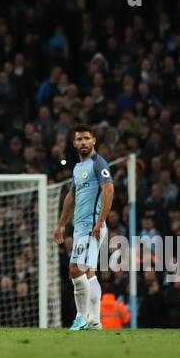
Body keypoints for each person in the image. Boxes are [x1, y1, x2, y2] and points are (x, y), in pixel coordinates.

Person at [53, 124, 113, 330]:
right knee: (88, 273)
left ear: (94, 140)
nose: (83, 142)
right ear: (74, 143)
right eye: (79, 139)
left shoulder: (98, 163)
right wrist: (61, 224)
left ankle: (81, 316)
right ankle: (95, 321)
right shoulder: (78, 168)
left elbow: (109, 189)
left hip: (91, 226)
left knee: (75, 269)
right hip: (81, 226)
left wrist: (100, 221)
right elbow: (71, 196)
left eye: (87, 138)